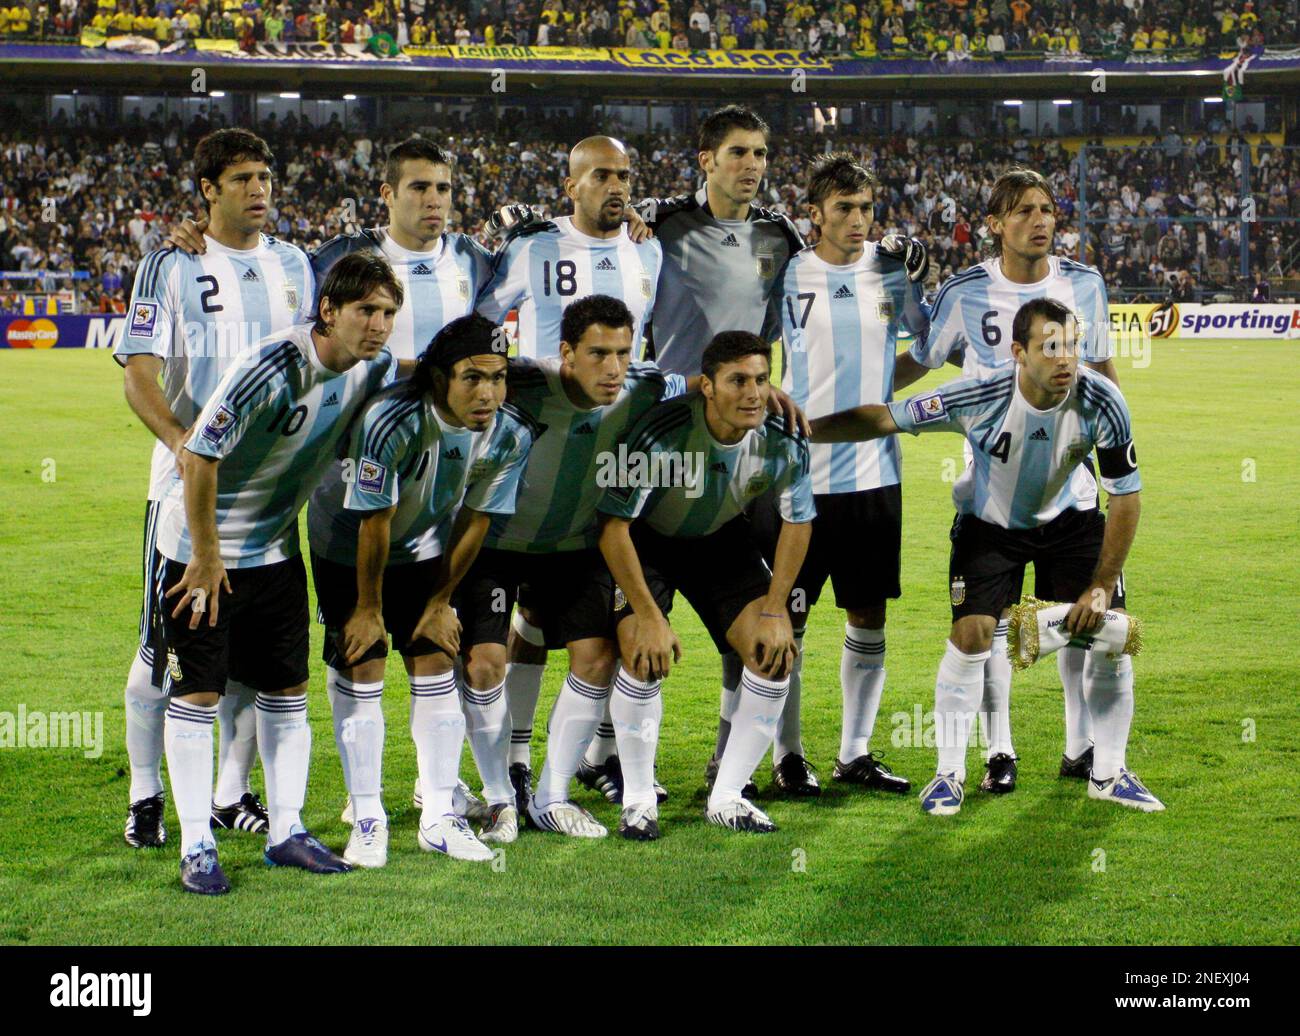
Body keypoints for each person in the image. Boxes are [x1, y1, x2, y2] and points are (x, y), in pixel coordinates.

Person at [812, 297, 1162, 816]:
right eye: (1051, 348)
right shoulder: (977, 393)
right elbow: (885, 417)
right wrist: (808, 427)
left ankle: (1108, 772)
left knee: (1110, 631)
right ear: (1019, 352)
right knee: (972, 634)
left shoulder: (1102, 400)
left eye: (1072, 346)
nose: (1065, 359)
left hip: (1071, 523)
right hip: (990, 527)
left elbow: (1126, 495)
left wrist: (1103, 582)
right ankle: (948, 775)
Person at [155, 252, 402, 893]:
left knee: (287, 694)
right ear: (328, 310)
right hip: (198, 556)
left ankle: (286, 832)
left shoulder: (370, 369)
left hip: (275, 554)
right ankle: (196, 845)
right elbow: (200, 456)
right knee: (199, 695)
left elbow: (425, 376)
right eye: (365, 310)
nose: (378, 324)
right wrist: (207, 556)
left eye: (387, 312)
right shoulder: (273, 365)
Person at [115, 128, 315, 850]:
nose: (259, 190)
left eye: (265, 176)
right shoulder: (169, 264)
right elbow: (139, 372)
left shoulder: (296, 263)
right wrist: (188, 449)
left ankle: (232, 793)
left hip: (268, 499)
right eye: (242, 180)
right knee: (160, 650)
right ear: (206, 190)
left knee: (253, 663)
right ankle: (145, 795)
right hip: (183, 494)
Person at [895, 167, 1122, 794]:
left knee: (1084, 623)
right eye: (1023, 211)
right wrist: (857, 393)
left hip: (1069, 488)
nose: (1040, 221)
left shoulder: (1085, 284)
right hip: (992, 489)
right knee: (986, 625)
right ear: (994, 224)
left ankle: (1081, 748)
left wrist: (1110, 454)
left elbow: (1102, 373)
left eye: (1047, 209)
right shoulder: (966, 290)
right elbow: (922, 358)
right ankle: (999, 750)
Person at [475, 138, 665, 811]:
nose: (617, 186)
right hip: (531, 457)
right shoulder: (535, 246)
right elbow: (483, 320)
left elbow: (646, 348)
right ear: (571, 185)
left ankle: (597, 758)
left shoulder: (649, 249)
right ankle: (519, 762)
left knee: (596, 625)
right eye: (602, 175)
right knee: (524, 620)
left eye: (624, 174)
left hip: (607, 455)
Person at [454, 295, 689, 840]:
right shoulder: (521, 381)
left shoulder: (644, 388)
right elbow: (453, 372)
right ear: (566, 352)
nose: (613, 368)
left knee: (597, 655)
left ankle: (551, 796)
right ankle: (501, 789)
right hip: (495, 541)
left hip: (572, 546)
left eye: (623, 353)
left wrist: (765, 390)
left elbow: (700, 385)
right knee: (485, 662)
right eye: (598, 353)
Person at [307, 314, 536, 866]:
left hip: (425, 548)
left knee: (435, 659)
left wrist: (438, 601)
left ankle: (440, 816)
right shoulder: (393, 421)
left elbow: (476, 520)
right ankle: (367, 817)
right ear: (439, 379)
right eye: (472, 378)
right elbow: (373, 521)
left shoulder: (511, 433)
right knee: (365, 662)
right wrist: (367, 608)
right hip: (348, 544)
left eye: (498, 377)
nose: (488, 393)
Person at [597, 331, 815, 833]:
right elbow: (614, 527)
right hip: (647, 541)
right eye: (738, 381)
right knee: (642, 651)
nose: (753, 393)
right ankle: (637, 800)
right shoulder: (664, 430)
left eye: (761, 379)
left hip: (719, 541)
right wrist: (649, 615)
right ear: (708, 387)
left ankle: (728, 795)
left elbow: (798, 521)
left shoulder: (783, 435)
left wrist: (776, 607)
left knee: (773, 653)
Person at [763, 152, 928, 797]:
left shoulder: (892, 274)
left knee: (868, 615)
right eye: (843, 209)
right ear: (815, 215)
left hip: (874, 474)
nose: (857, 220)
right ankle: (789, 755)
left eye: (864, 208)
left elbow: (932, 345)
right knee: (790, 620)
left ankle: (854, 753)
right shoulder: (786, 275)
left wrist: (887, 399)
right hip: (799, 477)